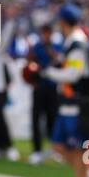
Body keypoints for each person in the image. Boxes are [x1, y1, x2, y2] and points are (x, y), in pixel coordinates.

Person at [45, 5, 89, 177]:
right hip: (68, 103)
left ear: (63, 22)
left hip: (78, 104)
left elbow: (74, 74)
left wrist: (48, 73)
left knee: (78, 148)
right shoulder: (72, 42)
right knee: (58, 145)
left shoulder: (78, 44)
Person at [26, 31, 60, 164]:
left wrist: (53, 55)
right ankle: (37, 151)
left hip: (52, 87)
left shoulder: (56, 46)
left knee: (52, 119)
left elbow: (60, 62)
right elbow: (29, 63)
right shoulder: (37, 47)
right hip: (39, 87)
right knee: (36, 119)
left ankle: (55, 150)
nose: (46, 36)